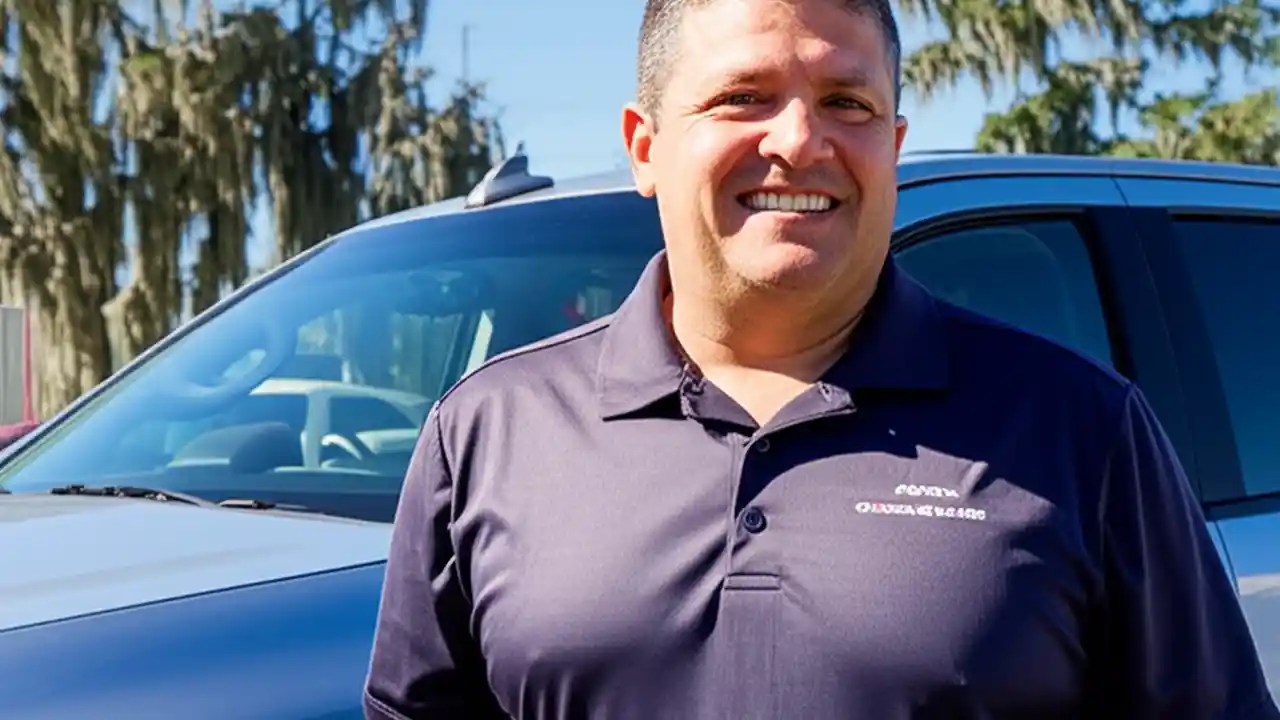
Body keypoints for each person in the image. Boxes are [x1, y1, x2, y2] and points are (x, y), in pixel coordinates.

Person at [363, 0, 1280, 717]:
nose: (799, 141)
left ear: (893, 143)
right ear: (644, 147)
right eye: (743, 97)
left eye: (847, 102)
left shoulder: (1083, 432)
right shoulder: (487, 434)